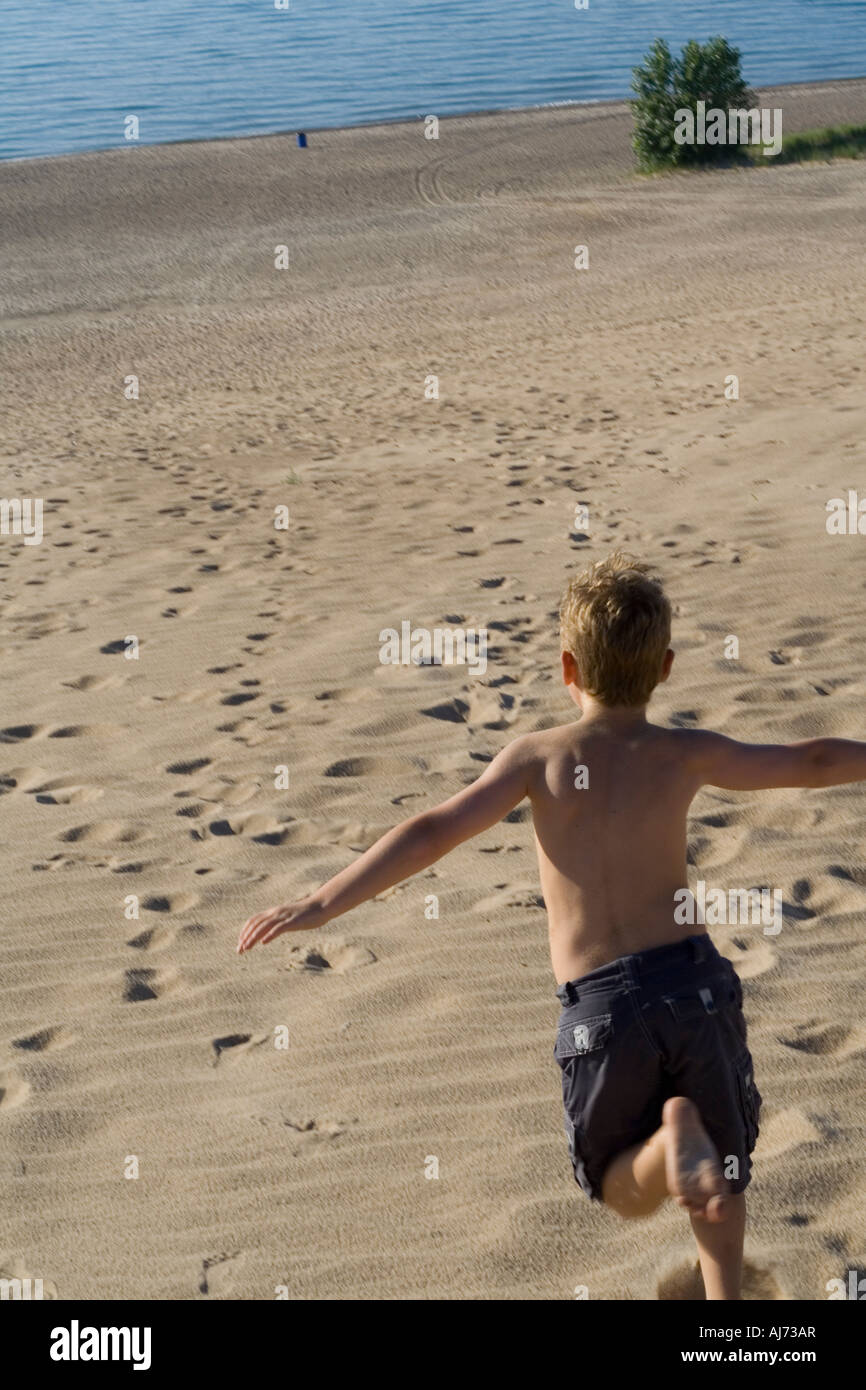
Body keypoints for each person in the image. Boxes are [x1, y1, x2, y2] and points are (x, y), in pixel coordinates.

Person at [238, 552, 866, 1298]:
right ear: (665, 667)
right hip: (695, 984)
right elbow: (815, 758)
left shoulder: (538, 758)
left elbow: (433, 831)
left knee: (614, 1183)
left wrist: (322, 902)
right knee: (723, 1173)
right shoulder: (682, 753)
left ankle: (669, 1147)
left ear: (568, 668)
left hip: (604, 1007)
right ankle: (725, 1308)